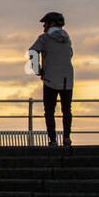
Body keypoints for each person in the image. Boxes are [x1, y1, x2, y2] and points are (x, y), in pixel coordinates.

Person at [29, 12, 74, 146]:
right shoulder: (67, 38)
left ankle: (53, 140)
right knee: (67, 110)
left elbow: (32, 51)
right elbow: (70, 54)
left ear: (52, 24)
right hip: (68, 79)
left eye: (46, 23)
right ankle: (66, 138)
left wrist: (38, 70)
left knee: (49, 111)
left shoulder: (44, 38)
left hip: (50, 79)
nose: (43, 26)